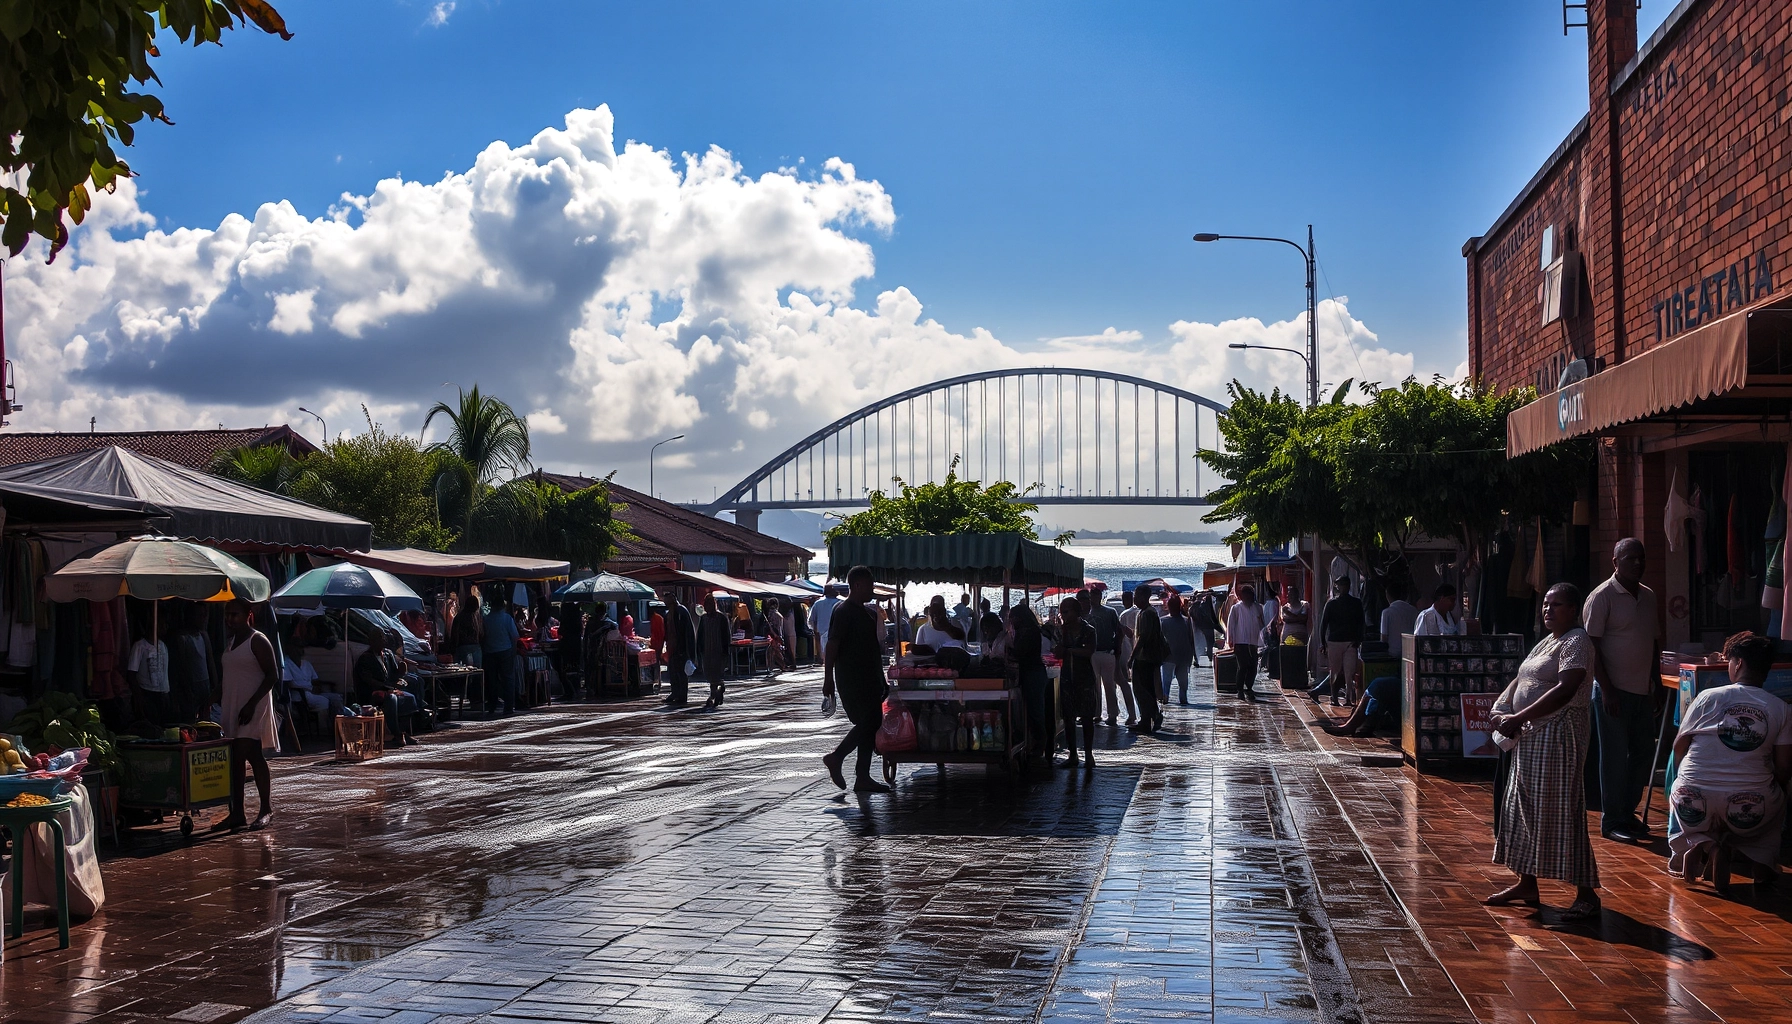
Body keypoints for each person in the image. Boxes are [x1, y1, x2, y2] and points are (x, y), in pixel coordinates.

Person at [1485, 582, 1600, 921]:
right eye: (1546, 605)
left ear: (1573, 609)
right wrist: (1500, 709)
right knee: (1522, 807)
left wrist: (1518, 716)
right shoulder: (1547, 641)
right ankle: (1527, 882)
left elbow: (1566, 689)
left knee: (1560, 809)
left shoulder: (1577, 641)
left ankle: (1587, 893)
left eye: (1557, 605)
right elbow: (1521, 680)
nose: (1548, 610)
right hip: (1531, 738)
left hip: (1558, 735)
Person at [1668, 631, 1792, 891]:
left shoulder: (1707, 697)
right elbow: (1783, 768)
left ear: (1738, 664)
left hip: (1694, 802)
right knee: (1780, 796)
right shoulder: (1781, 708)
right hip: (1752, 808)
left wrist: (1685, 779)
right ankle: (1761, 864)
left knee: (1679, 785)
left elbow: (1680, 746)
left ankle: (1705, 844)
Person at [1584, 538, 1662, 844]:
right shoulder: (1601, 596)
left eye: (1641, 558)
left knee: (1643, 752)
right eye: (1631, 559)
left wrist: (1654, 683)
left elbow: (1653, 642)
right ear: (1615, 563)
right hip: (1612, 692)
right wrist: (1607, 690)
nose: (1638, 564)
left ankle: (1626, 811)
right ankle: (1612, 819)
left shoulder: (1649, 596)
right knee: (1614, 757)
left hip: (1642, 691)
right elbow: (1591, 646)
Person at [821, 566, 891, 794]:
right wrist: (828, 679)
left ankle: (862, 776)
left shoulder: (868, 613)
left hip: (870, 678)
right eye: (869, 585)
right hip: (852, 678)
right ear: (857, 585)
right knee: (869, 721)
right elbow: (832, 645)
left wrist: (882, 679)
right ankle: (837, 757)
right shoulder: (843, 611)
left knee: (871, 724)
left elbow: (872, 650)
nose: (872, 589)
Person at [217, 600, 278, 832]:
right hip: (233, 706)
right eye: (227, 615)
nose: (230, 619)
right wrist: (211, 698)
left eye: (235, 614)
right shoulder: (231, 643)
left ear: (248, 615)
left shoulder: (258, 640)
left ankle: (266, 809)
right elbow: (228, 677)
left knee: (249, 752)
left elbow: (272, 676)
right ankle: (237, 813)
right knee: (238, 757)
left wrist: (252, 704)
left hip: (253, 706)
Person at [354, 630, 420, 745]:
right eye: (378, 639)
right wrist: (388, 688)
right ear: (371, 641)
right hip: (372, 693)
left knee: (410, 697)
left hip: (389, 689)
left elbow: (394, 674)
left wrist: (401, 674)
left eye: (383, 638)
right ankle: (396, 733)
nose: (382, 641)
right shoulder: (365, 658)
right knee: (391, 699)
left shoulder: (388, 654)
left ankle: (404, 732)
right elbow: (369, 681)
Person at [1056, 596, 1099, 769]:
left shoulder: (1088, 630)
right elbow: (1058, 651)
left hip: (1085, 677)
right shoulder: (1061, 631)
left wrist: (1068, 651)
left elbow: (1089, 651)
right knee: (1068, 717)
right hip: (1067, 677)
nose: (1063, 616)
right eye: (1061, 612)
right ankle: (1073, 754)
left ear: (1075, 611)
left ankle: (1088, 754)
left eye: (1066, 612)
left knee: (1087, 717)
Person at [1008, 603, 1052, 765]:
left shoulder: (1028, 632)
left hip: (1033, 674)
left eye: (1013, 618)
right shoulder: (1029, 630)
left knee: (1035, 711)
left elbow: (1020, 653)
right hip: (1033, 673)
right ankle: (1037, 744)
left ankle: (1040, 745)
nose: (1011, 621)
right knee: (1034, 711)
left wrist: (1008, 649)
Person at [1084, 588, 1134, 727]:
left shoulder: (1107, 612)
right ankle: (1098, 713)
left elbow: (1119, 631)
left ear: (1099, 596)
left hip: (1107, 652)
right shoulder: (1088, 614)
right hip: (1095, 653)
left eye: (1094, 596)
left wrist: (1117, 650)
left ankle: (1112, 715)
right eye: (1091, 596)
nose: (1092, 599)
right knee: (1097, 685)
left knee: (1108, 685)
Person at [1318, 577, 1366, 706]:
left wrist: (1359, 640)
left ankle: (1347, 699)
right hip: (1338, 642)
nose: (1343, 587)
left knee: (1347, 672)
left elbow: (1361, 623)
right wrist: (1322, 642)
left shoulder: (1353, 603)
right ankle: (1336, 698)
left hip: (1347, 642)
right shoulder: (1334, 603)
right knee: (1337, 671)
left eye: (1345, 585)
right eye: (1341, 585)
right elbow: (1323, 625)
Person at [1130, 584, 1168, 733]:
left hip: (1145, 658)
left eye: (1136, 596)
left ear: (1144, 597)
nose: (1134, 598)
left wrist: (1132, 657)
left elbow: (1143, 637)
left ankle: (1149, 718)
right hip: (1147, 657)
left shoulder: (1147, 613)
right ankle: (1150, 718)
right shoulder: (1145, 612)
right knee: (1146, 689)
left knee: (1141, 689)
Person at [284, 633, 342, 727]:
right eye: (297, 647)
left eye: (301, 647)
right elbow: (289, 683)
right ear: (289, 648)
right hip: (299, 695)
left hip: (312, 692)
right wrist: (307, 688)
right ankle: (323, 729)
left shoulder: (306, 664)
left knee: (336, 698)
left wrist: (317, 687)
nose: (300, 650)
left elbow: (315, 680)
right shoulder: (286, 664)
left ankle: (337, 727)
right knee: (324, 701)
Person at [126, 619, 172, 725]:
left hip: (163, 695)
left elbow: (165, 673)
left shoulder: (162, 646)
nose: (166, 627)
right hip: (146, 694)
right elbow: (131, 674)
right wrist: (139, 699)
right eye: (162, 624)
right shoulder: (139, 646)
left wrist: (167, 693)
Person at [1225, 585, 1267, 702]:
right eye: (1247, 594)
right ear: (1242, 596)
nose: (1249, 597)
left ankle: (1249, 687)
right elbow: (1231, 625)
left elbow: (1262, 624)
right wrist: (1231, 640)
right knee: (1242, 666)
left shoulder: (1258, 607)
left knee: (1253, 666)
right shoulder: (1236, 608)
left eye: (1251, 594)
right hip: (1240, 642)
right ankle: (1239, 690)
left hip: (1254, 642)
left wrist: (1263, 639)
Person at [482, 599, 521, 716]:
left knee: (492, 680)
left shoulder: (486, 619)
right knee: (508, 679)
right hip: (505, 651)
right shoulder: (507, 618)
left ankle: (492, 705)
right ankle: (508, 707)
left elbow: (483, 636)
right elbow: (515, 636)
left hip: (490, 652)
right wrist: (514, 650)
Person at [1160, 594, 1197, 706]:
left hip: (1168, 656)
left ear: (1168, 606)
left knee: (1166, 680)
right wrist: (1192, 656)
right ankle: (1183, 698)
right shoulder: (1186, 621)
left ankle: (1165, 697)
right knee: (1183, 681)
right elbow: (1191, 639)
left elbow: (1160, 640)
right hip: (1183, 655)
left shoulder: (1163, 621)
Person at [698, 593, 732, 708]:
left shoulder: (721, 618)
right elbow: (700, 635)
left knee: (717, 674)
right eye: (706, 604)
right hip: (707, 651)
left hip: (719, 650)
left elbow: (726, 635)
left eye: (711, 604)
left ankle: (715, 693)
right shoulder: (703, 618)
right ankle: (717, 691)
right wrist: (699, 649)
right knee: (709, 674)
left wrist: (726, 651)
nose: (708, 607)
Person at [664, 592, 696, 707]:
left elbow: (686, 632)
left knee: (681, 673)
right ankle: (675, 693)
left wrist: (687, 650)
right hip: (672, 647)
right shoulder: (669, 614)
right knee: (673, 671)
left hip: (681, 647)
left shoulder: (681, 611)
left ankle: (682, 695)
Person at [450, 595, 484, 668]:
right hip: (475, 646)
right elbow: (481, 633)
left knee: (463, 671)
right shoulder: (477, 618)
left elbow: (454, 634)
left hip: (462, 647)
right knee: (477, 671)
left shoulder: (459, 617)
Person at [1191, 591, 1221, 667]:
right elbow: (1209, 616)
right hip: (1207, 627)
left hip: (1198, 627)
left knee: (1197, 644)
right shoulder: (1204, 605)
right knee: (1210, 643)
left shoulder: (1193, 607)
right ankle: (1210, 658)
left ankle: (1197, 659)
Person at [812, 585, 841, 652]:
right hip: (837, 634)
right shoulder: (840, 603)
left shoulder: (818, 603)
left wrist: (816, 632)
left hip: (823, 634)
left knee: (826, 656)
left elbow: (812, 621)